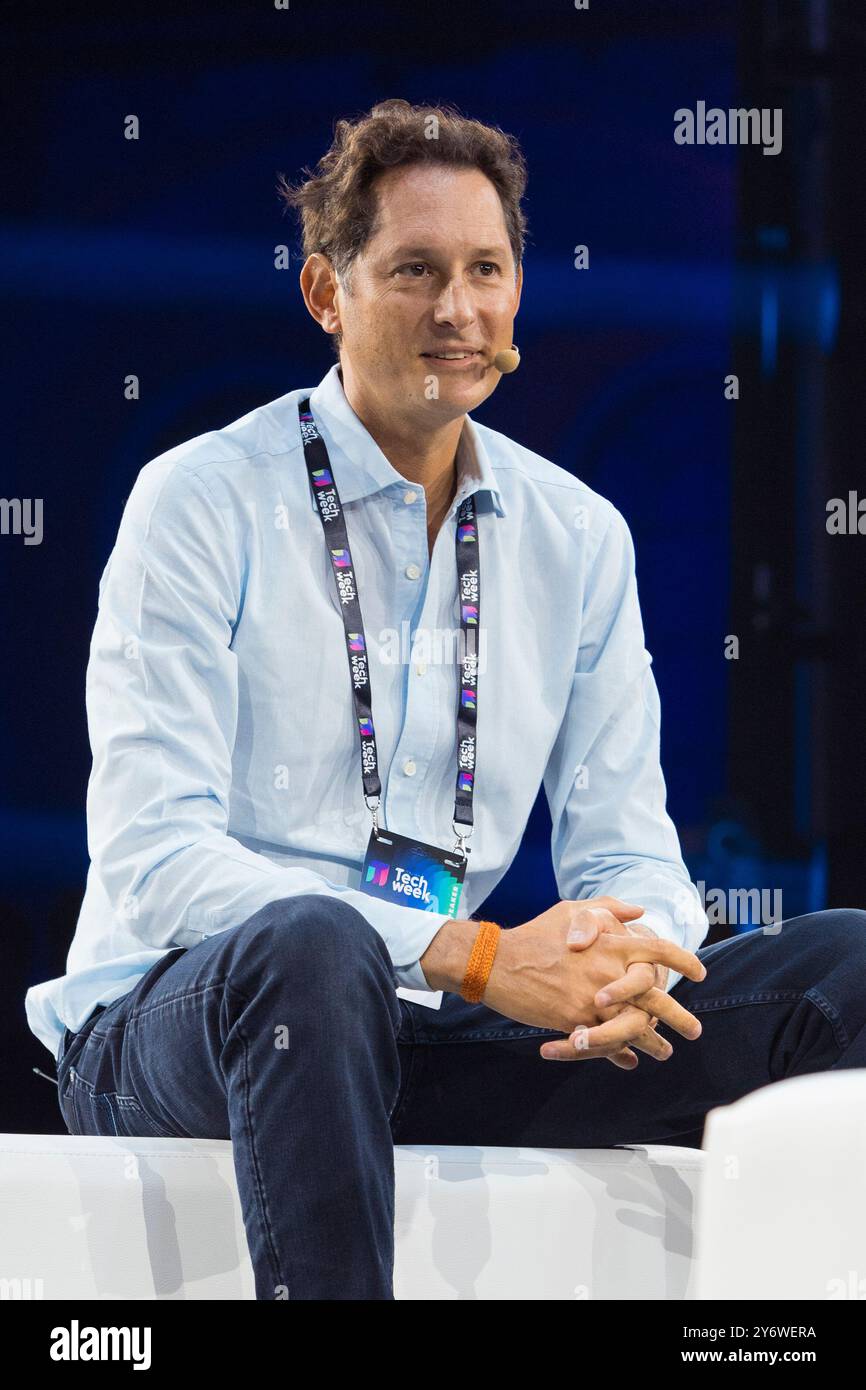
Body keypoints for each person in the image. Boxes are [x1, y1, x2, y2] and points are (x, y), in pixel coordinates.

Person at [25, 99, 866, 1300]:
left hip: (417, 1031)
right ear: (327, 290)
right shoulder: (200, 500)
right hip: (179, 1026)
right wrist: (473, 952)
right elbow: (160, 860)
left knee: (836, 966)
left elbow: (627, 845)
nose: (457, 309)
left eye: (485, 269)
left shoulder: (576, 534)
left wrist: (635, 958)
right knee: (311, 949)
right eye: (414, 270)